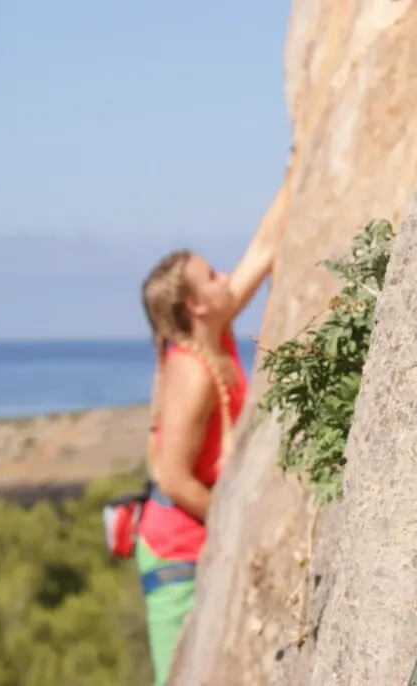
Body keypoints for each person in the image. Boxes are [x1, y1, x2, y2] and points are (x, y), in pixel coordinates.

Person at [135, 188, 286, 685]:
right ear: (195, 305)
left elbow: (263, 250)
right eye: (213, 276)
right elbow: (174, 478)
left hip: (203, 535)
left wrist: (298, 164)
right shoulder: (192, 372)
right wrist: (235, 526)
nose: (226, 278)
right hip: (178, 553)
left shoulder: (214, 331)